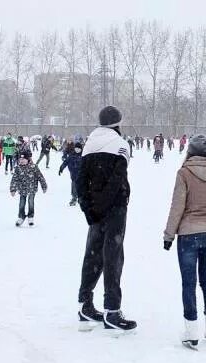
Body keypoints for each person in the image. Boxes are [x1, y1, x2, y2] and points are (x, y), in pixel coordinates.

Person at [163, 135, 206, 348]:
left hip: (188, 234)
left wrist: (168, 235)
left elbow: (177, 207)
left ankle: (191, 331)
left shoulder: (184, 173)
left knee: (189, 283)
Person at [76, 106, 136, 334]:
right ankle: (112, 310)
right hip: (114, 208)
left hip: (94, 210)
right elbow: (118, 177)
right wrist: (108, 205)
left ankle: (85, 305)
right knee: (113, 257)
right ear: (118, 123)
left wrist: (89, 209)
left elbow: (80, 180)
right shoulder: (120, 144)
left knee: (92, 255)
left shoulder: (90, 143)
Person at [10, 150, 47, 227]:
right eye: (20, 159)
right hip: (22, 189)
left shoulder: (34, 167)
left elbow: (40, 177)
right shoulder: (18, 168)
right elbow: (14, 179)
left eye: (24, 159)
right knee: (21, 204)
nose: (22, 161)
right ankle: (21, 216)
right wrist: (13, 189)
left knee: (31, 203)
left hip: (31, 189)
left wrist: (44, 186)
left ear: (28, 160)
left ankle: (30, 217)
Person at [59, 142, 83, 206]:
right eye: (76, 149)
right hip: (73, 174)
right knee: (74, 186)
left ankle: (81, 198)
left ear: (81, 149)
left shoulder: (83, 156)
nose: (77, 150)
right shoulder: (71, 155)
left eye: (79, 149)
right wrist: (61, 168)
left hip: (81, 175)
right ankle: (74, 198)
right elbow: (66, 162)